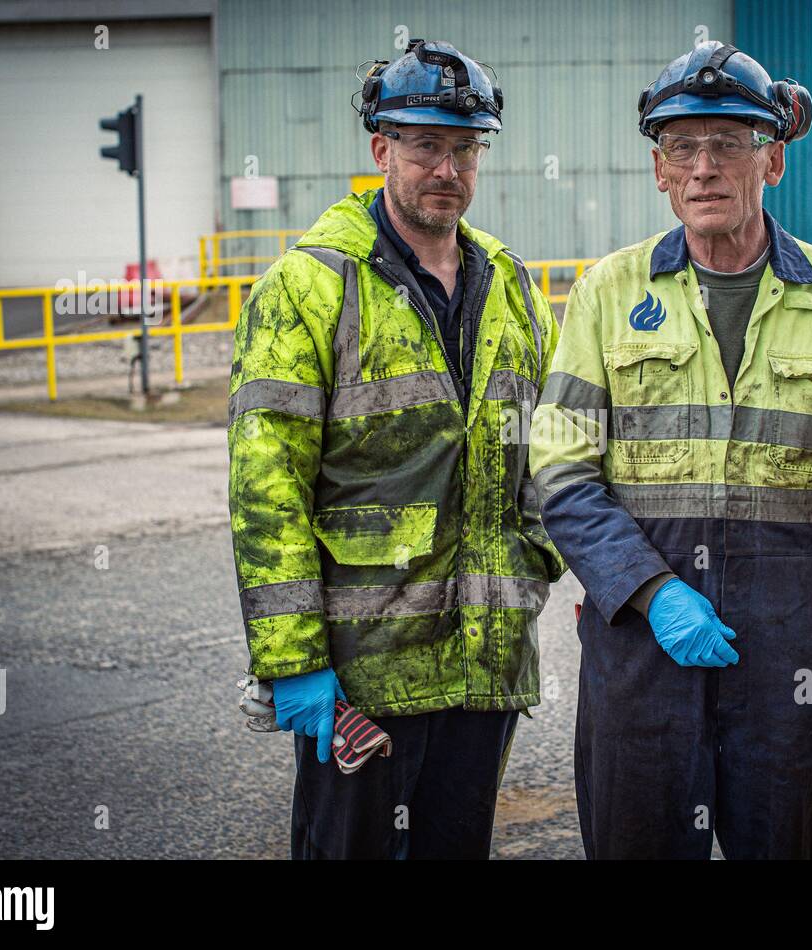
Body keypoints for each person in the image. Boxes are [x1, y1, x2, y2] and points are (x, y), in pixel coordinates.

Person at [528, 41, 812, 859]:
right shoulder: (607, 292)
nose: (704, 167)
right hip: (643, 648)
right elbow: (560, 469)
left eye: (728, 143)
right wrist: (650, 590)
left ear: (772, 160)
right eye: (682, 146)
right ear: (659, 171)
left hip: (795, 656)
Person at [227, 39, 564, 859]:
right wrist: (292, 661)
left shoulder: (514, 287)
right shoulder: (309, 287)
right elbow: (267, 488)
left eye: (465, 149)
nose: (446, 168)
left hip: (485, 666)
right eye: (425, 146)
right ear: (382, 150)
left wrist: (538, 561)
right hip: (360, 680)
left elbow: (560, 452)